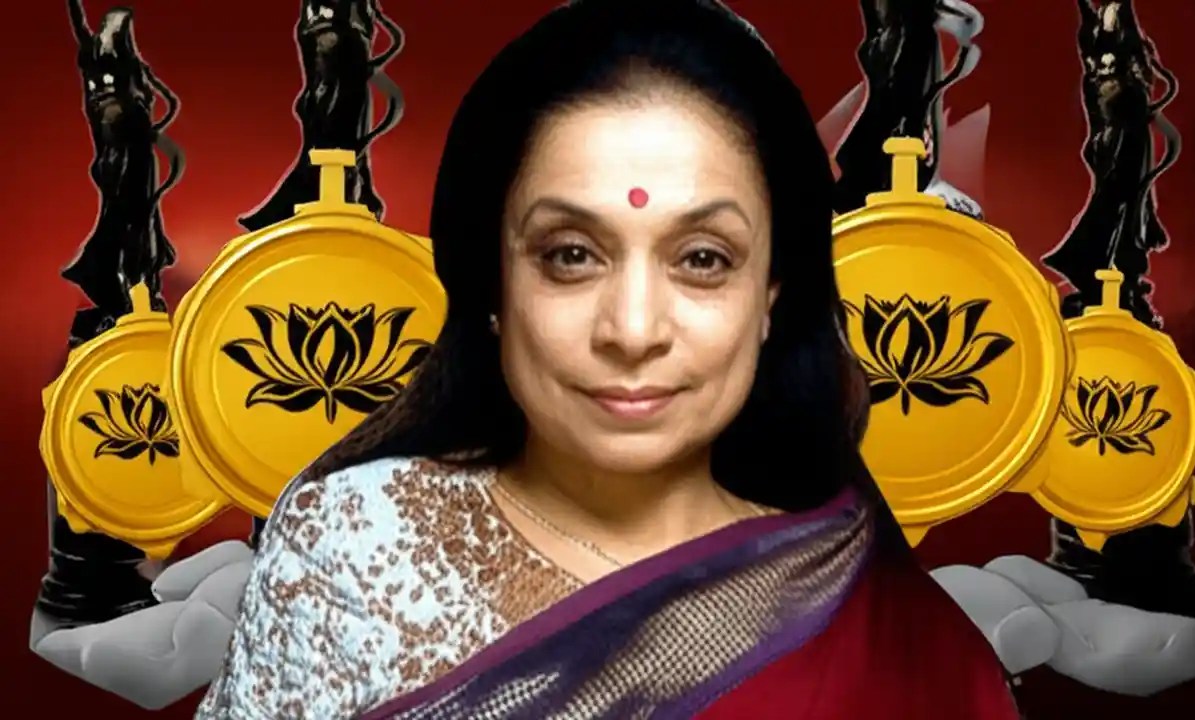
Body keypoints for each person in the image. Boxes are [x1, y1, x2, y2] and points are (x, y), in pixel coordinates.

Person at [194, 1, 1023, 717]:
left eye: (702, 259)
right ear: (490, 280)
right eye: (570, 255)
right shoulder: (353, 541)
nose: (631, 329)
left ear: (771, 293)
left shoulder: (873, 622)